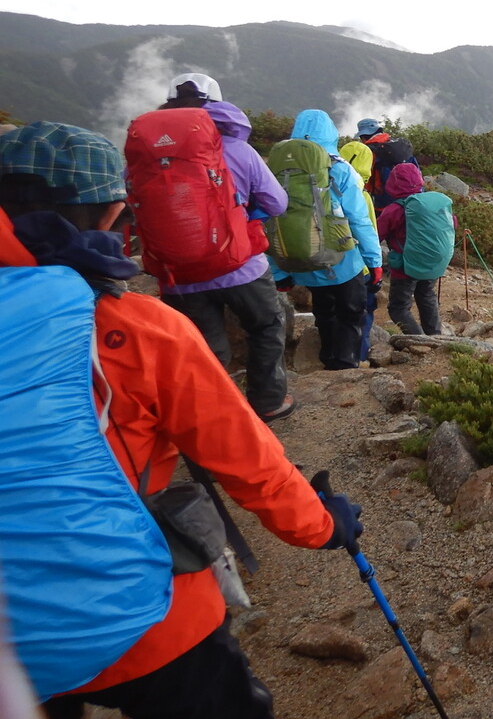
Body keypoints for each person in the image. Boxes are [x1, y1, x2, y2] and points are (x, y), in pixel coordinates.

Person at [0, 121, 362, 719]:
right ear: (116, 212)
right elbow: (245, 460)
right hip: (136, 615)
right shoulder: (132, 328)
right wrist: (323, 525)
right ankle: (269, 395)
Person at [150, 74, 295, 422]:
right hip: (239, 264)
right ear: (215, 106)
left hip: (177, 273)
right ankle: (268, 402)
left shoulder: (149, 155)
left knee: (200, 347)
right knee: (266, 326)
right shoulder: (236, 148)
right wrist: (245, 212)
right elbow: (277, 203)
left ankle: (212, 417)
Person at [272, 110, 382, 369]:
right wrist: (374, 261)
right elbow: (359, 220)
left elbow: (271, 221)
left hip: (303, 258)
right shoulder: (341, 169)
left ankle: (327, 355)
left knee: (323, 309)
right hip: (342, 260)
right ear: (330, 133)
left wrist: (279, 271)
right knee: (351, 312)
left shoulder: (279, 170)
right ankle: (344, 364)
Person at [376, 162, 454, 336]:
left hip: (405, 267)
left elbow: (376, 237)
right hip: (432, 263)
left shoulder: (393, 210)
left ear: (393, 184)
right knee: (426, 296)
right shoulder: (432, 205)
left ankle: (418, 340)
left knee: (398, 308)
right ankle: (435, 337)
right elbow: (452, 224)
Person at [356, 118, 417, 212]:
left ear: (363, 136)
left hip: (384, 203)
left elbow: (367, 179)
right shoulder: (400, 145)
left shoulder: (370, 151)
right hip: (411, 198)